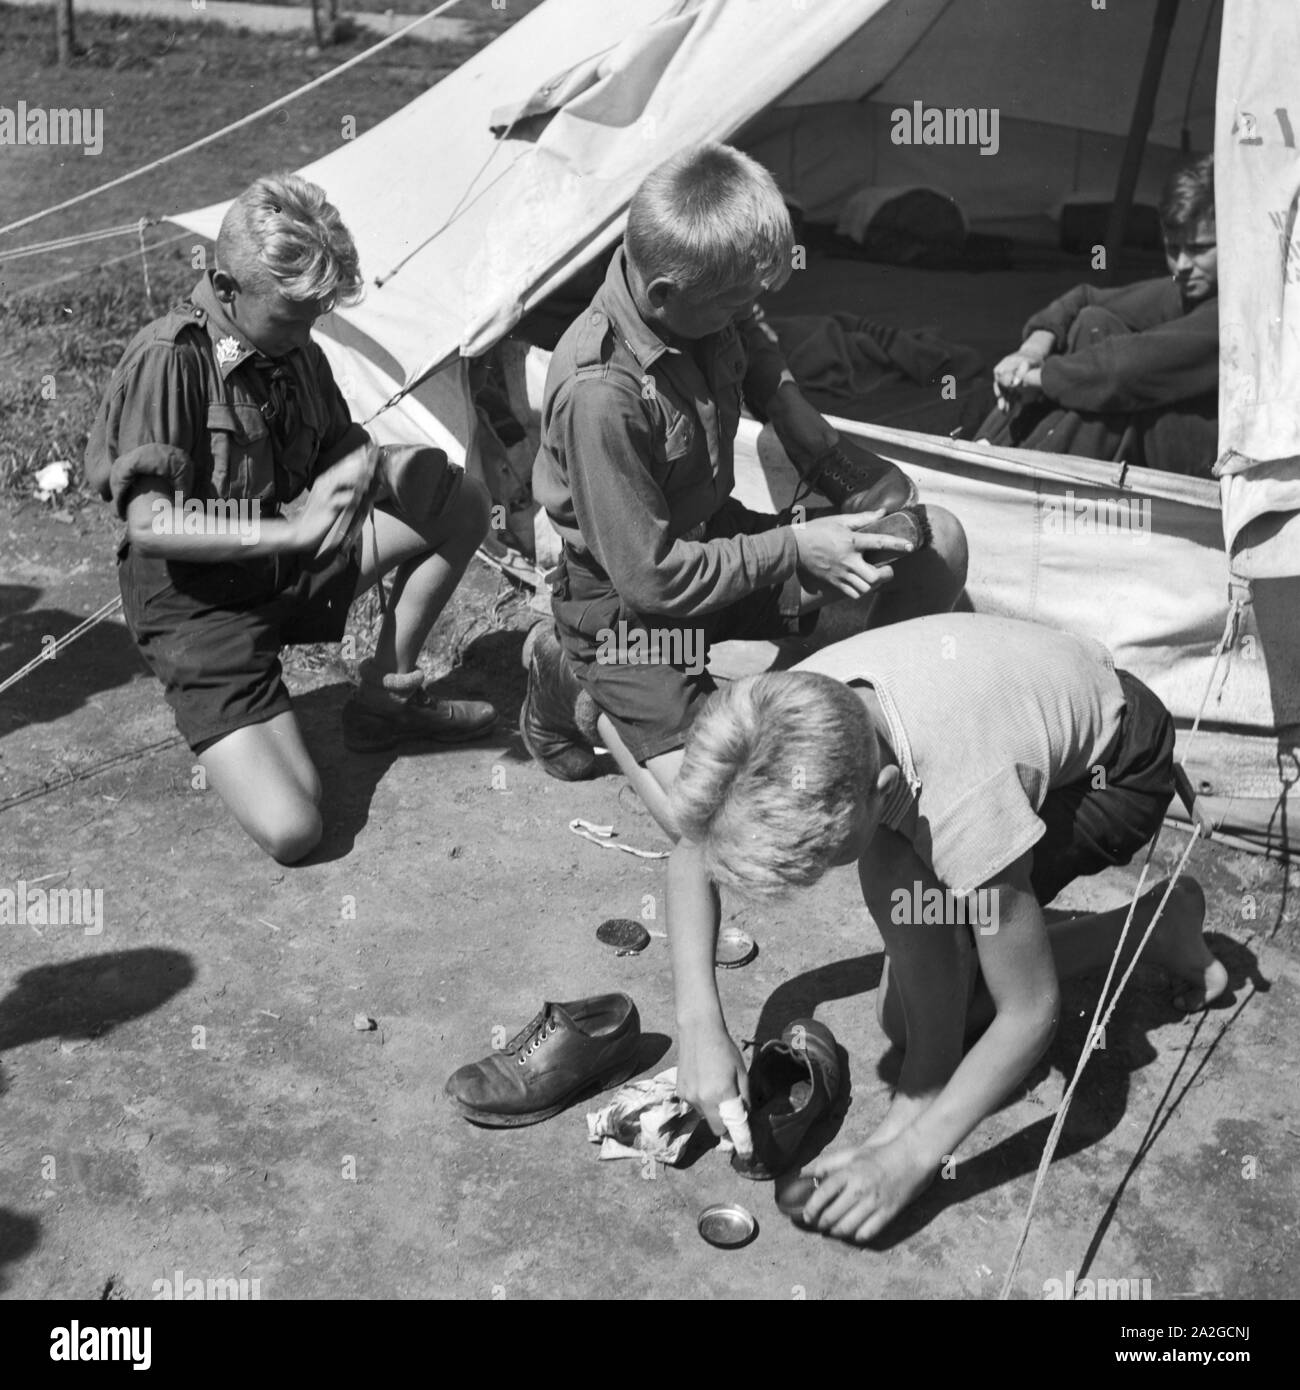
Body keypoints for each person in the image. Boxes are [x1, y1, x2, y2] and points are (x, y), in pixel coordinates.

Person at [665, 612, 1229, 1242]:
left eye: (824, 859)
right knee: (913, 1003)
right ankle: (925, 1087)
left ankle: (1154, 924)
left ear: (882, 790)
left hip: (1116, 770)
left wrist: (911, 1159)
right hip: (1037, 701)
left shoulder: (965, 801)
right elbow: (695, 843)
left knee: (927, 968)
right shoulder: (781, 714)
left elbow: (1030, 1013)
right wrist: (699, 1024)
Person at [522, 142, 968, 834]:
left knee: (938, 545)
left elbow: (750, 339)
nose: (751, 308)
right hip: (628, 614)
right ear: (665, 293)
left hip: (713, 542)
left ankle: (793, 710)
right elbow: (650, 578)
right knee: (711, 820)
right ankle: (578, 685)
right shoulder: (600, 394)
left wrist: (804, 432)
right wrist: (795, 548)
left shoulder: (699, 299)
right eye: (737, 299)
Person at [85, 173, 496, 864]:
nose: (305, 335)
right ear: (224, 288)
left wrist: (381, 467)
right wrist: (296, 531)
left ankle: (384, 703)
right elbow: (151, 522)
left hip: (279, 573)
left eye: (313, 319)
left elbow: (337, 447)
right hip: (199, 613)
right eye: (289, 318)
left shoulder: (290, 347)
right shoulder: (170, 360)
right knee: (297, 830)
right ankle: (230, 703)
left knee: (462, 502)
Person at [980, 155, 1217, 475]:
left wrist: (1036, 378)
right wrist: (1030, 352)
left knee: (1109, 404)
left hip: (1213, 460)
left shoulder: (1243, 310)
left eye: (1200, 249)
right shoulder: (1187, 286)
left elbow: (1122, 370)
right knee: (1093, 321)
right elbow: (1084, 297)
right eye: (1173, 250)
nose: (1183, 265)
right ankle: (986, 451)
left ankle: (1011, 473)